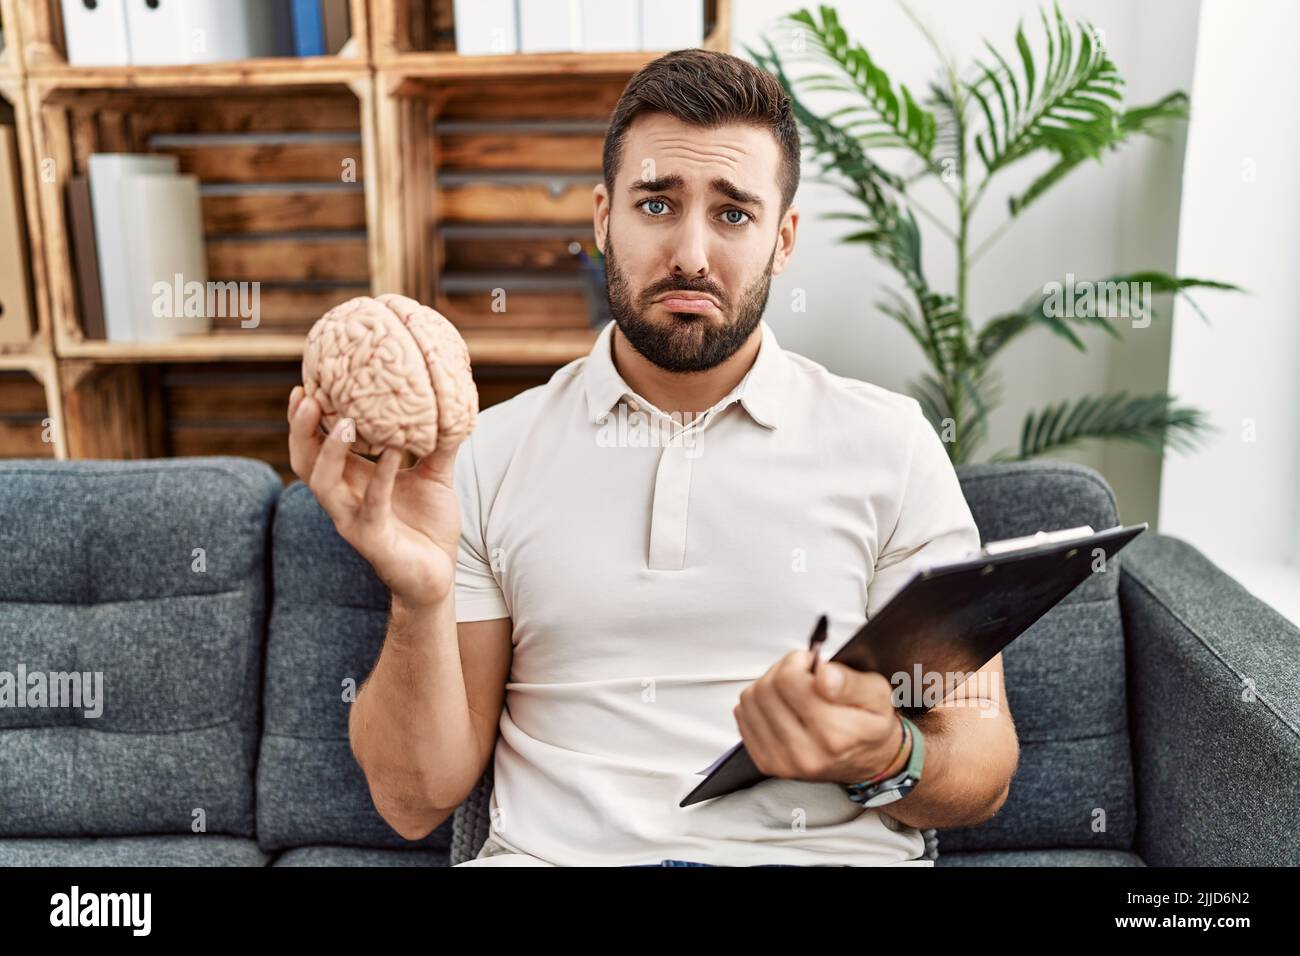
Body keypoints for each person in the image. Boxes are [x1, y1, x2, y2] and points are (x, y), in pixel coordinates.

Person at [287, 49, 1019, 867]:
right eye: (657, 203)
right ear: (603, 218)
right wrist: (417, 596)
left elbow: (983, 770)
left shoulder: (892, 443)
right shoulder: (487, 453)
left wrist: (884, 753)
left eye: (734, 214)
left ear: (783, 240)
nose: (692, 254)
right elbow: (412, 802)